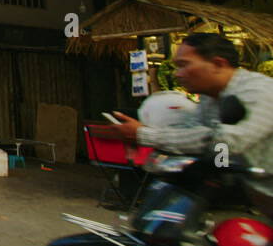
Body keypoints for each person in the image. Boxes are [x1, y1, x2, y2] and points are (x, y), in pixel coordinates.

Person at [111, 33, 273, 173]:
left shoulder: (258, 91)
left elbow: (225, 143)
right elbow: (194, 130)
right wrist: (139, 134)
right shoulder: (209, 96)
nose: (177, 74)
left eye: (184, 65)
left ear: (218, 64)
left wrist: (144, 134)